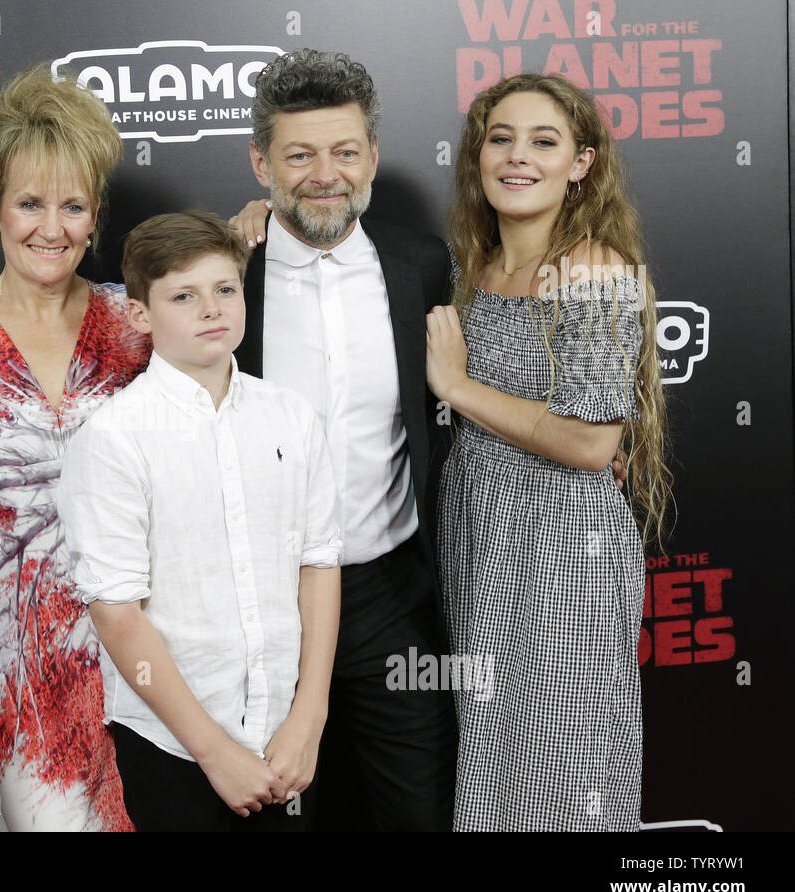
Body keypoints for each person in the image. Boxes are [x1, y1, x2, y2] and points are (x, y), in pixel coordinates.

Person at [425, 73, 671, 831]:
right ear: (477, 157)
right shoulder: (472, 266)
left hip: (565, 545)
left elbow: (591, 442)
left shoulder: (591, 270)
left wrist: (457, 388)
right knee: (492, 758)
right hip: (480, 532)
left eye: (543, 141)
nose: (517, 156)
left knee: (563, 763)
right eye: (500, 139)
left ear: (582, 163)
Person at [231, 49, 458, 830]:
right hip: (263, 607)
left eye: (344, 151)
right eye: (298, 154)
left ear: (372, 157)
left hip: (395, 597)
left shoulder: (421, 266)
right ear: (261, 162)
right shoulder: (228, 276)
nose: (324, 174)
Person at [56, 211, 342, 831]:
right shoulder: (114, 438)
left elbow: (318, 563)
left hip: (285, 736)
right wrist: (214, 754)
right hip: (172, 742)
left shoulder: (292, 417)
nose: (211, 309)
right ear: (140, 314)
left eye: (224, 290)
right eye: (183, 296)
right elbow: (116, 610)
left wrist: (308, 718)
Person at [0, 64, 150, 831]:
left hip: (136, 642)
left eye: (72, 205)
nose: (50, 228)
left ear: (95, 217)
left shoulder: (135, 326)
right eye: (28, 203)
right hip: (8, 659)